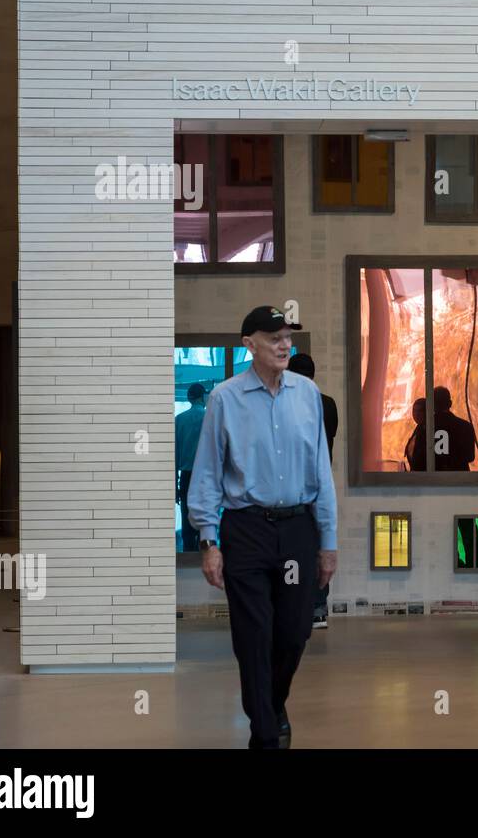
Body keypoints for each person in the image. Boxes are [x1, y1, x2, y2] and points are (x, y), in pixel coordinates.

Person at [188, 306, 338, 749]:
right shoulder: (225, 399)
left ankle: (272, 703)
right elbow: (208, 475)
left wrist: (327, 542)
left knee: (293, 632)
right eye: (273, 337)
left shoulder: (308, 395)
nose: (284, 344)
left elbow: (321, 474)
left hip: (296, 530)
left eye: (288, 336)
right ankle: (265, 734)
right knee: (253, 634)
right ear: (248, 344)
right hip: (246, 531)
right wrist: (208, 540)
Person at [287, 353, 339, 630]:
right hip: (321, 484)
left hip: (292, 487)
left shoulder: (288, 403)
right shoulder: (328, 404)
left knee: (289, 547)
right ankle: (319, 608)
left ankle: (292, 606)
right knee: (319, 547)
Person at [175, 383, 207, 552]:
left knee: (187, 521)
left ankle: (188, 556)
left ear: (189, 398)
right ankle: (205, 557)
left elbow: (173, 456)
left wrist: (174, 486)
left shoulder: (179, 420)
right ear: (202, 397)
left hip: (186, 476)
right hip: (206, 477)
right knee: (205, 520)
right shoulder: (210, 417)